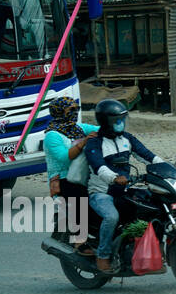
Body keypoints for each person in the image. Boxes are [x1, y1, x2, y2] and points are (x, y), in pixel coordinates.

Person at [84, 99, 166, 274]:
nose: (121, 123)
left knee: (154, 207)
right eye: (117, 120)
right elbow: (99, 167)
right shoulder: (94, 143)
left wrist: (166, 168)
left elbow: (147, 156)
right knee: (111, 217)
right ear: (106, 122)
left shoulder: (127, 139)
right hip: (102, 192)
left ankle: (151, 250)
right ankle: (103, 256)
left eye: (123, 119)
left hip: (125, 190)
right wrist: (115, 178)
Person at [43, 96, 98, 256]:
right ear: (59, 112)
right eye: (71, 110)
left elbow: (99, 128)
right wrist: (83, 142)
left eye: (76, 109)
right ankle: (79, 241)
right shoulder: (52, 136)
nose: (75, 113)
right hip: (62, 179)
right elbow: (65, 156)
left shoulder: (78, 128)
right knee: (78, 196)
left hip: (82, 174)